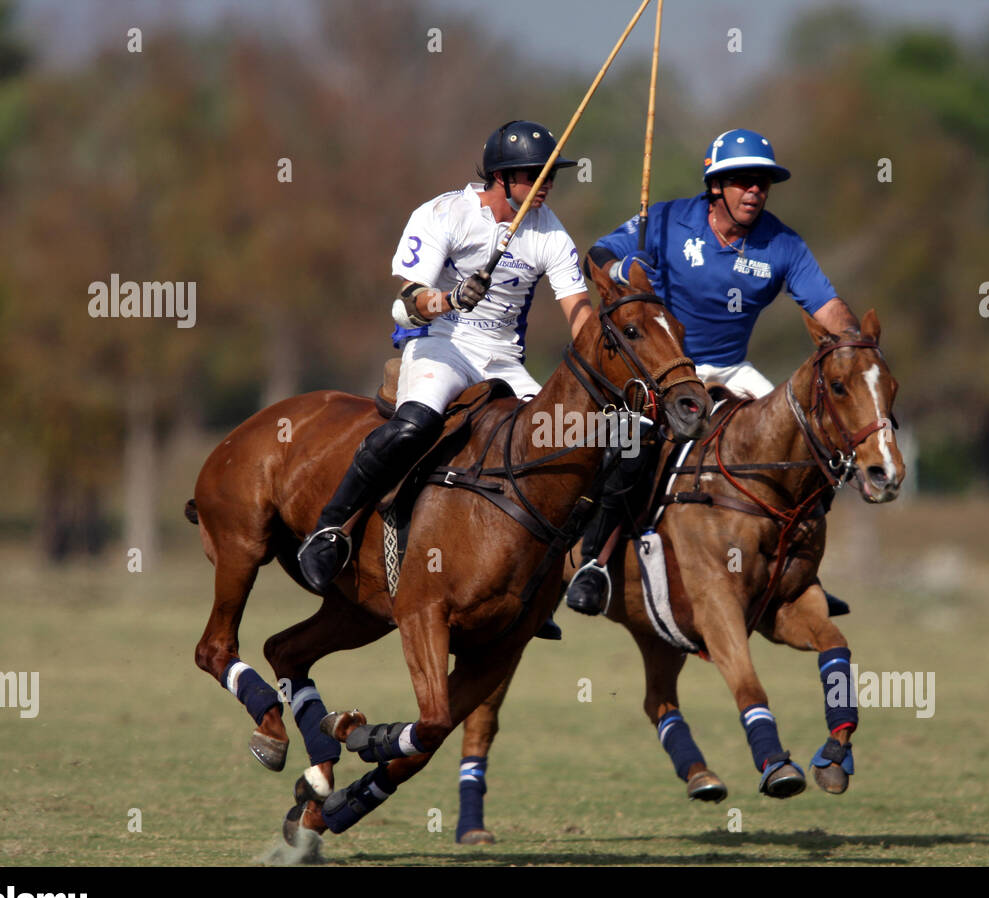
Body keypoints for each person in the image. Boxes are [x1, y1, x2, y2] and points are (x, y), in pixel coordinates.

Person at [565, 128, 862, 615]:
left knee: (813, 448)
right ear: (716, 185)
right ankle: (595, 563)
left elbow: (828, 307)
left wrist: (854, 343)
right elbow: (597, 254)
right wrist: (626, 270)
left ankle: (799, 572)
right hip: (663, 370)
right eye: (743, 181)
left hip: (732, 366)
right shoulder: (665, 221)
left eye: (763, 183)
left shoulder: (782, 244)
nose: (755, 191)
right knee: (634, 447)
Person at [297, 120, 594, 606]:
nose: (547, 185)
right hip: (442, 342)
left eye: (550, 175)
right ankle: (331, 528)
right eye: (536, 175)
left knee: (561, 440)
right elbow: (406, 303)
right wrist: (453, 297)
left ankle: (539, 576)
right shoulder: (445, 213)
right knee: (416, 425)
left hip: (503, 358)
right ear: (503, 176)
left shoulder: (550, 233)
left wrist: (606, 358)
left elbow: (578, 313)